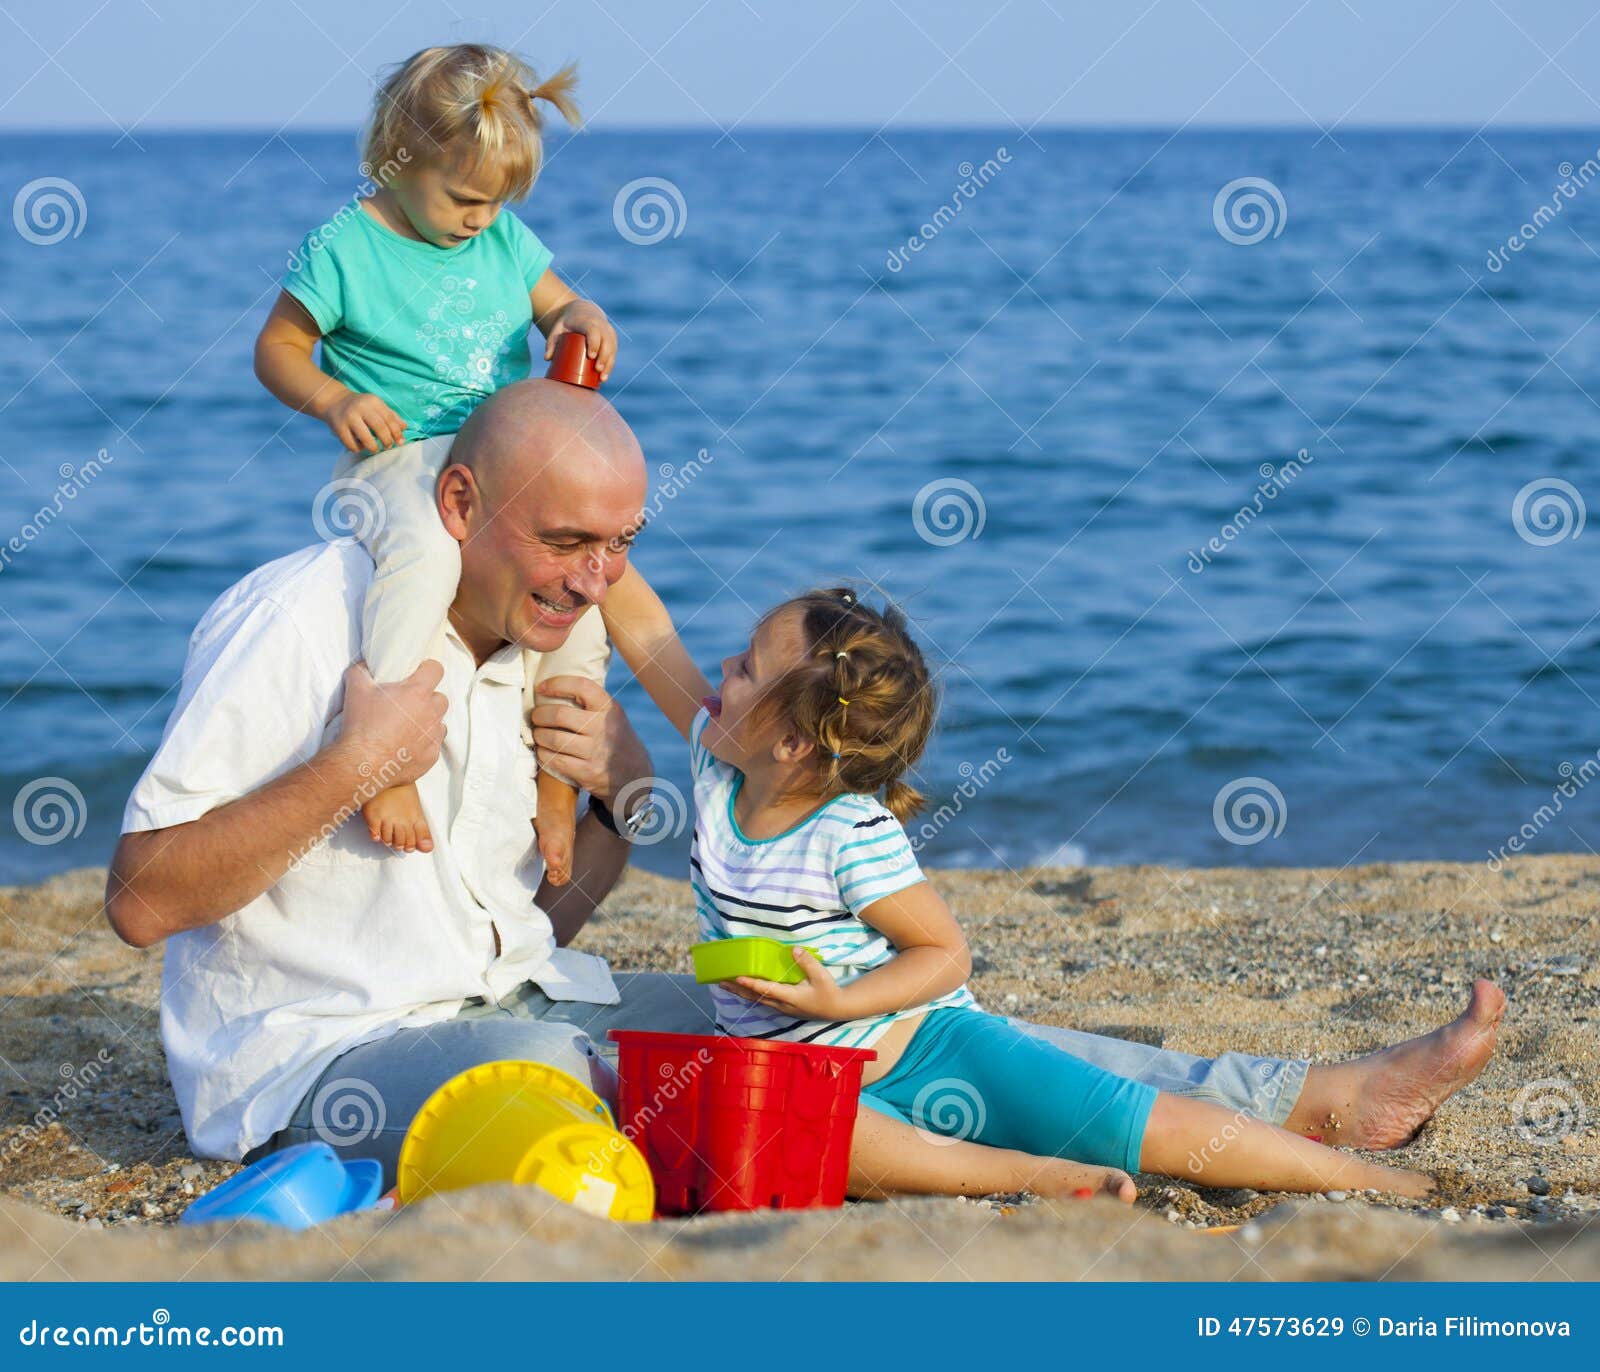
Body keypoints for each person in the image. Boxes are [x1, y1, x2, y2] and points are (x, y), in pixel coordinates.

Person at [105, 381, 1504, 1195]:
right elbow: (140, 899)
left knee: (892, 1034)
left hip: (507, 1001)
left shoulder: (533, 654)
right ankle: (1017, 1174)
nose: (600, 580)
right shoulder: (300, 619)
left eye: (623, 546)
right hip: (316, 1060)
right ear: (458, 507)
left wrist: (603, 820)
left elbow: (528, 927)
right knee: (569, 1076)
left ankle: (1298, 1095)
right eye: (570, 540)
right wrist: (356, 763)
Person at [595, 571, 1504, 1200]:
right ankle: (1033, 1182)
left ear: (794, 741)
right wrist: (600, 543)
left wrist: (841, 1001)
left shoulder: (847, 834)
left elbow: (943, 951)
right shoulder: (720, 758)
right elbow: (644, 631)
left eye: (746, 666)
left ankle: (1374, 1180)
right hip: (815, 1079)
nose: (721, 672)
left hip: (923, 1046)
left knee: (1129, 1122)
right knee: (828, 1143)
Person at [254, 43, 617, 883]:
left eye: (496, 203)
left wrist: (578, 316)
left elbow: (557, 300)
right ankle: (384, 756)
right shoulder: (345, 246)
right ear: (399, 158)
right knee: (423, 556)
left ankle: (556, 780)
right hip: (400, 458)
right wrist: (333, 400)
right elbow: (277, 347)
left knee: (581, 596)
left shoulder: (501, 238)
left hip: (503, 451)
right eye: (463, 198)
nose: (478, 220)